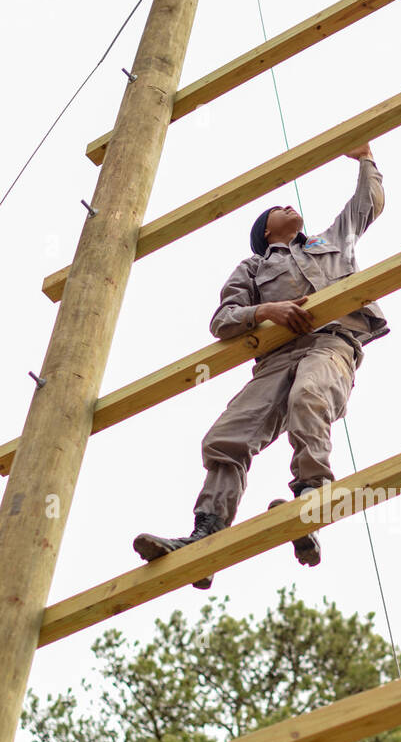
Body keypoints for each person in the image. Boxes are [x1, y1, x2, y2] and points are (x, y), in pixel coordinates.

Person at [134, 145, 387, 589]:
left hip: (330, 344)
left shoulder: (330, 242)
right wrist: (267, 310)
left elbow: (366, 205)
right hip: (275, 358)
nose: (291, 204)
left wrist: (366, 158)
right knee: (226, 436)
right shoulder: (252, 268)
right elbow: (223, 321)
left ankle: (311, 498)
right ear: (266, 230)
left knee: (309, 396)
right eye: (278, 207)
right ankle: (207, 534)